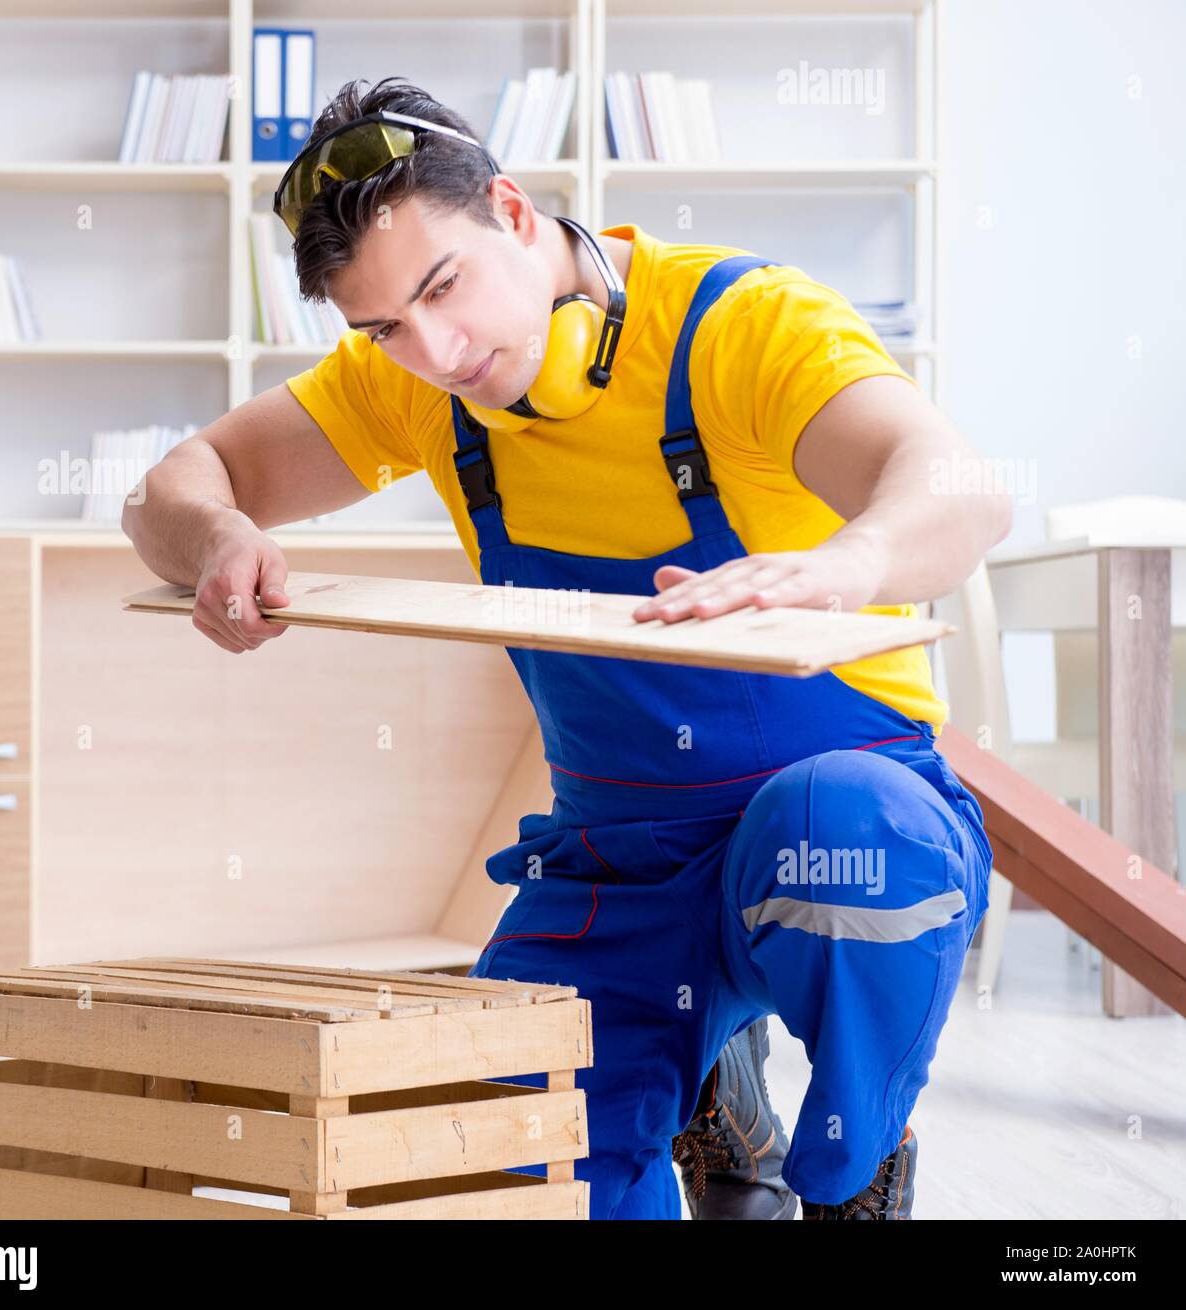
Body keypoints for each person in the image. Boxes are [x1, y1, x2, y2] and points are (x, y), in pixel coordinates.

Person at [122, 75, 1008, 1221]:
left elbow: (960, 488)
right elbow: (164, 494)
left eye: (446, 288)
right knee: (509, 1149)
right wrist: (222, 531)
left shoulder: (736, 325)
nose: (435, 349)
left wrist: (845, 565)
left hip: (837, 823)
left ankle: (854, 1161)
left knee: (845, 832)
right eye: (384, 327)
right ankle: (709, 1090)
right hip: (617, 865)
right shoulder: (415, 387)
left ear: (513, 209)